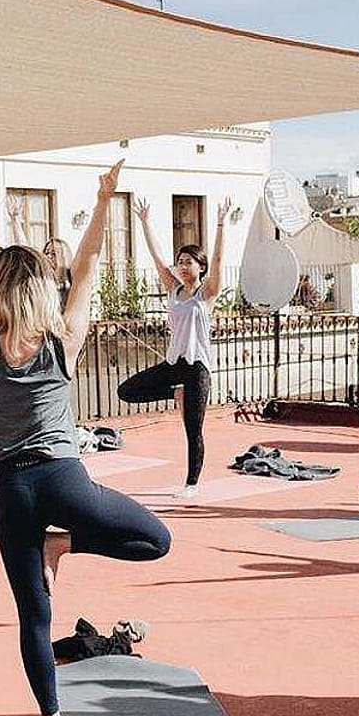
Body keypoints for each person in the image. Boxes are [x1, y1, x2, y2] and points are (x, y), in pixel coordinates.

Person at [0, 160, 171, 716]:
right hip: (65, 482)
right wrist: (105, 201)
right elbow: (85, 267)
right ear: (38, 287)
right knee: (155, 541)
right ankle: (65, 544)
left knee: (35, 618)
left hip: (11, 492)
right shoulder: (61, 341)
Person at [115, 194, 233, 499]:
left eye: (188, 262)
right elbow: (155, 257)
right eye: (179, 261)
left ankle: (191, 485)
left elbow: (219, 260)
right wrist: (143, 222)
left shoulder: (206, 294)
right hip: (173, 364)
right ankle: (175, 393)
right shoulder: (173, 288)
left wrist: (220, 224)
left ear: (200, 267)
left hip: (197, 368)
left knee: (193, 430)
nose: (181, 266)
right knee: (127, 391)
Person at [8, 195, 73, 307]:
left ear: (63, 257)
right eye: (46, 252)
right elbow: (25, 251)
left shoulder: (72, 285)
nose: (48, 256)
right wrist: (15, 219)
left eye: (53, 254)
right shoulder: (41, 279)